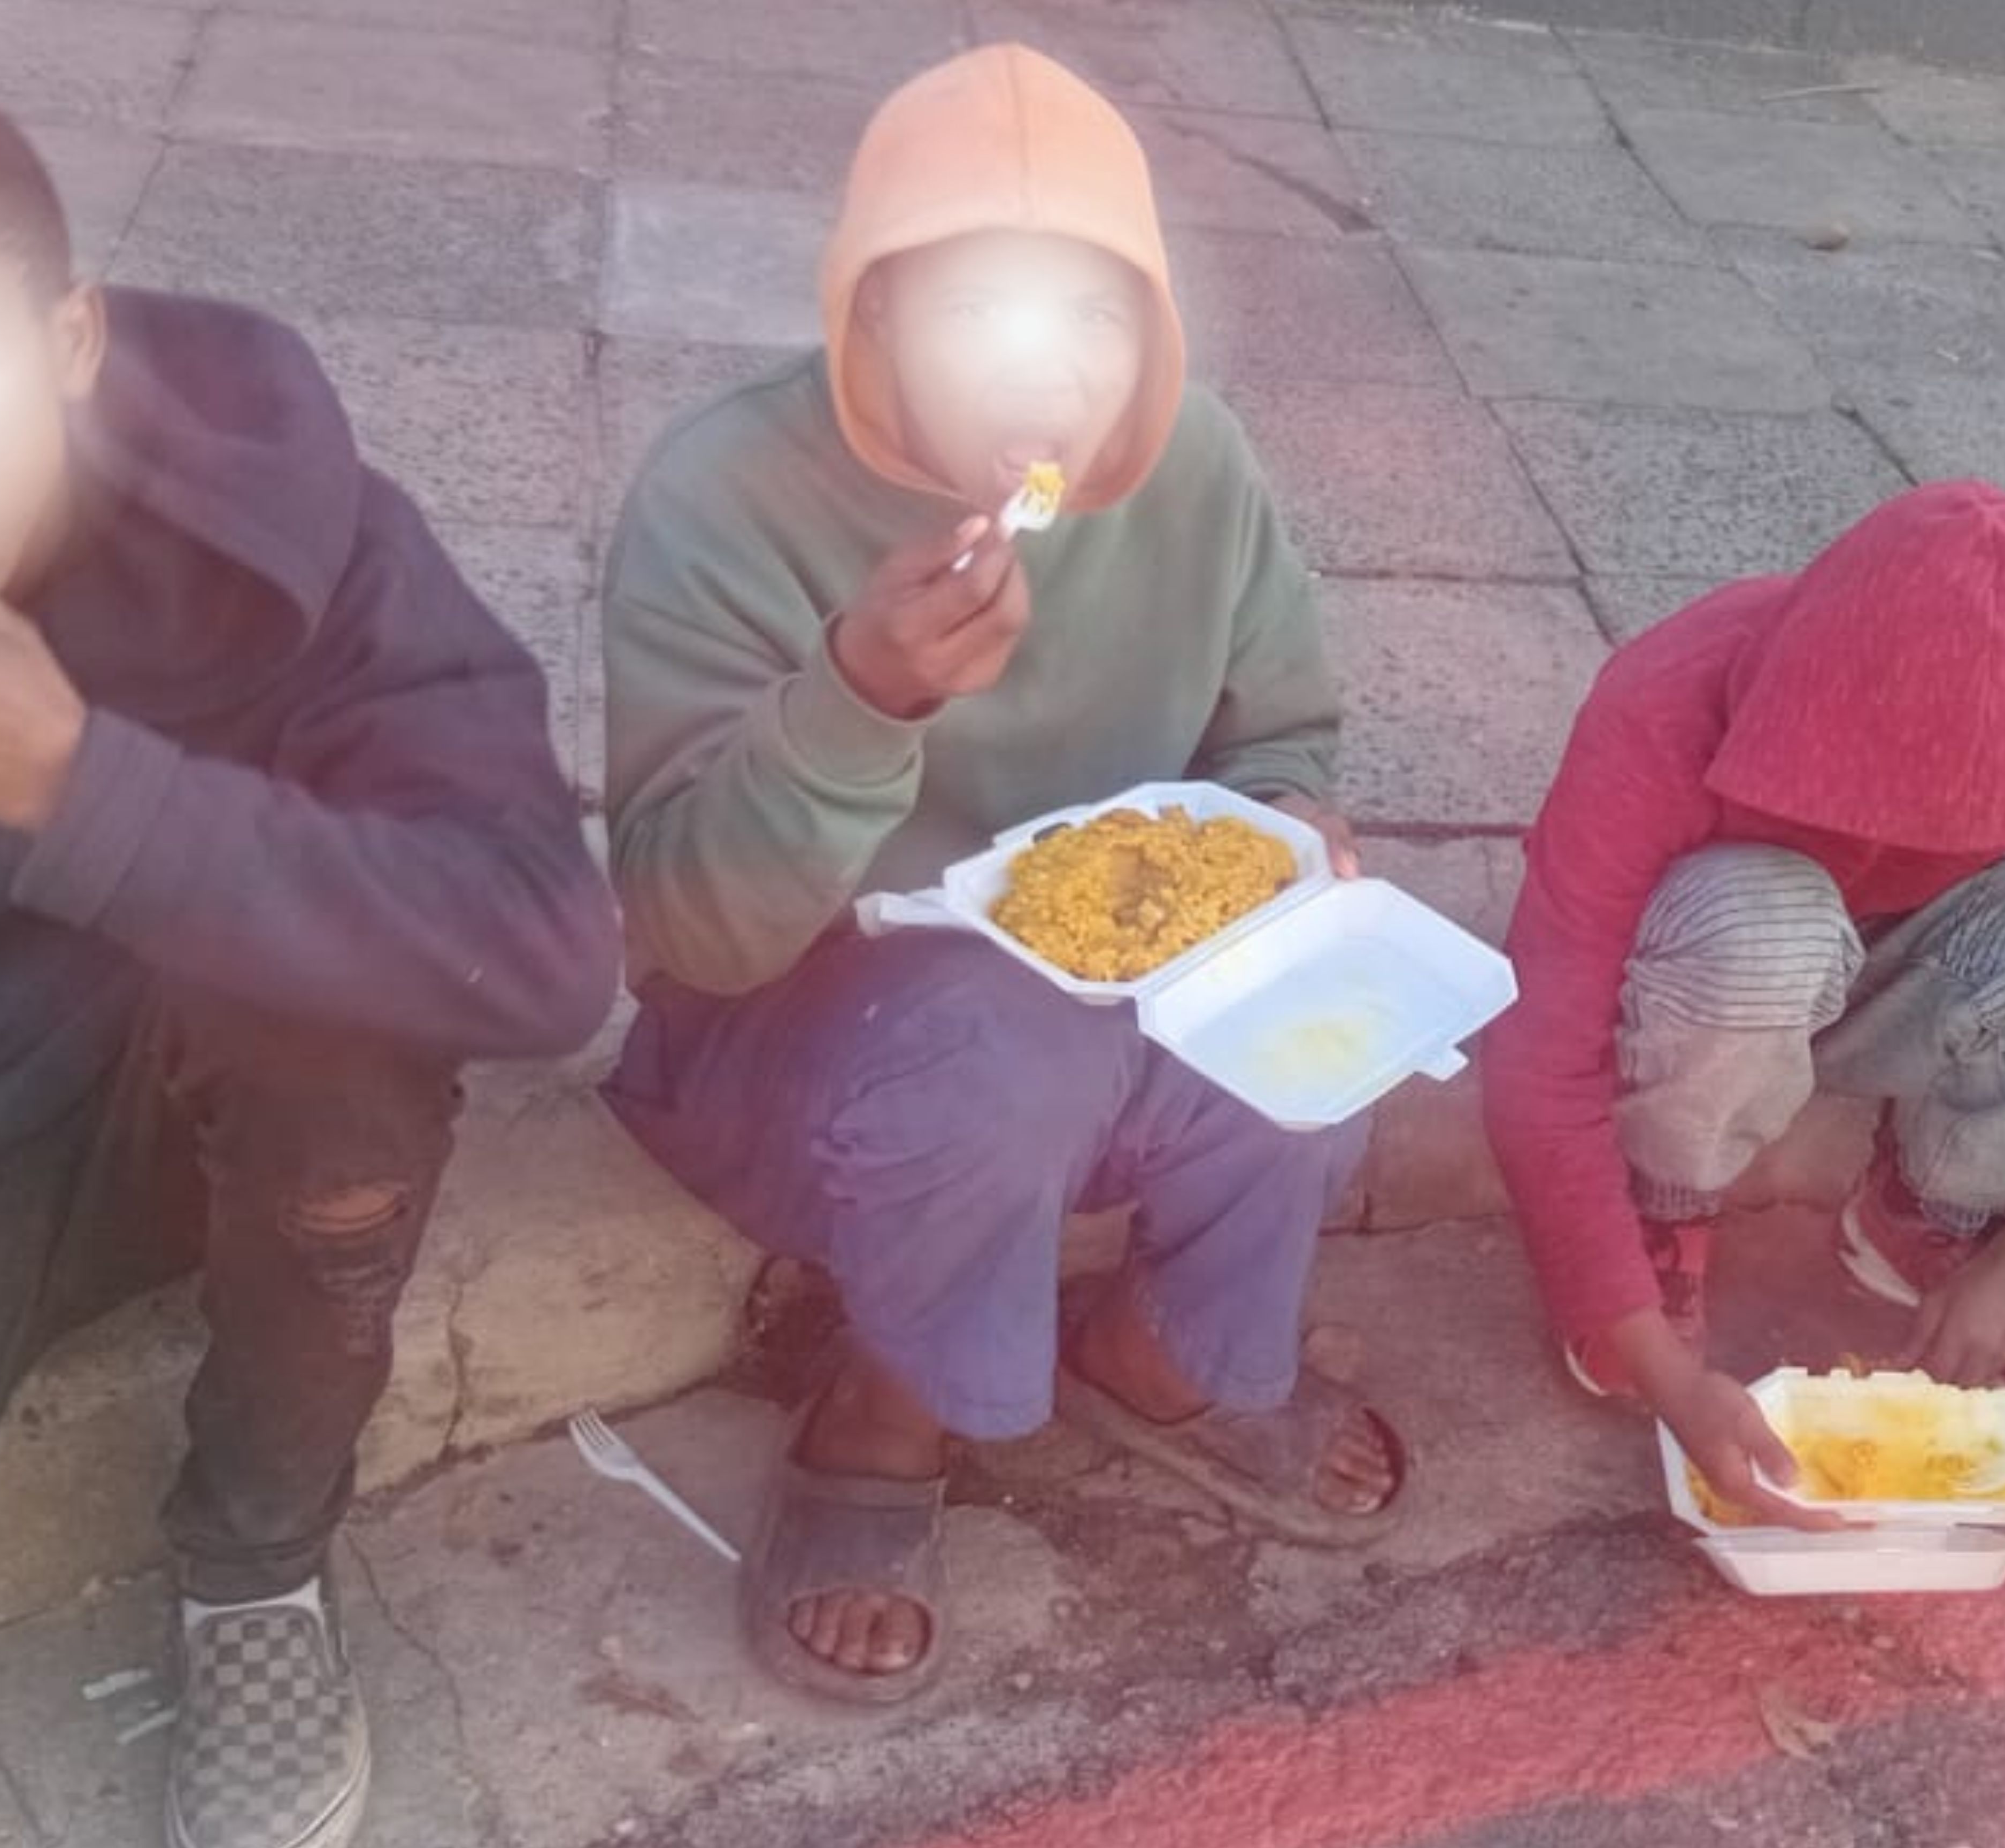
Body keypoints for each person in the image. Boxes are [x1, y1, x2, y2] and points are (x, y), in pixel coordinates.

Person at [0, 58, 616, 1848]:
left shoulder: (274, 533)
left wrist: (75, 790)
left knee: (325, 1022)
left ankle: (256, 1565)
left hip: (208, 1123)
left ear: (69, 342)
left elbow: (543, 947)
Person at [598, 44, 1404, 1705]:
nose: (1049, 373)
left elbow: (1280, 736)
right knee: (999, 1042)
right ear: (875, 311)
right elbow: (688, 928)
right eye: (979, 311)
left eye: (1097, 317)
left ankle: (1160, 1356)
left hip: (1111, 997)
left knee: (1330, 1006)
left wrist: (1289, 824)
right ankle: (881, 1412)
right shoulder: (722, 492)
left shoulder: (1199, 469)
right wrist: (856, 700)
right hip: (800, 1046)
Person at [1484, 482, 2005, 1524]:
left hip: (1895, 981)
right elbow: (1538, 1061)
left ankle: (1924, 1217)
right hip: (1714, 980)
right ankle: (1665, 1209)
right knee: (1767, 919)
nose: (1898, 833)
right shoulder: (1665, 707)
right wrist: (1662, 1369)